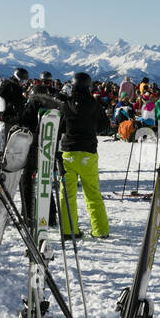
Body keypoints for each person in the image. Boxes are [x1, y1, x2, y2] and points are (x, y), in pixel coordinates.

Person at [35, 72, 109, 239]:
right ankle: (100, 230)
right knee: (93, 193)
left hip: (67, 152)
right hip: (88, 153)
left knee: (67, 194)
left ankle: (69, 230)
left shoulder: (65, 104)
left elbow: (58, 127)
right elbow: (104, 126)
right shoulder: (94, 103)